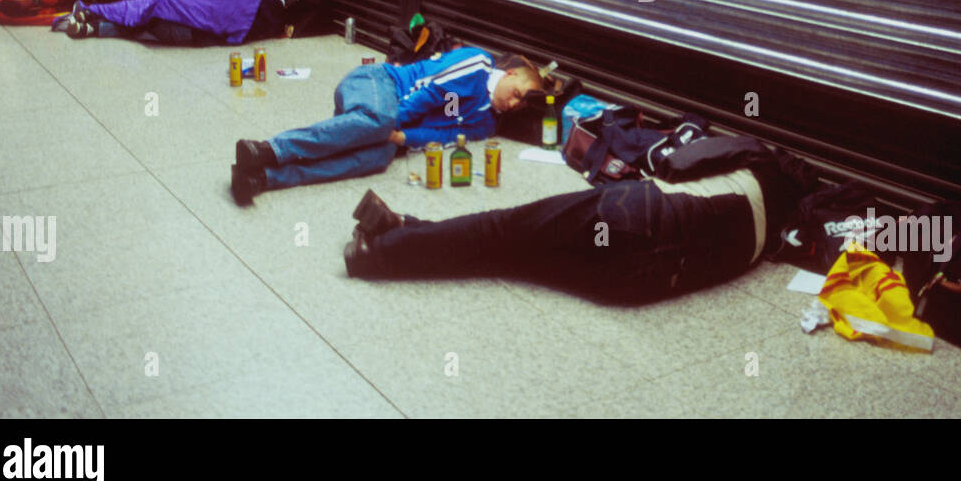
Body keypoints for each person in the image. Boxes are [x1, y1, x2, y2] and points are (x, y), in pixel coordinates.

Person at [338, 147, 820, 304]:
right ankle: (403, 228)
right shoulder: (766, 242)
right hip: (634, 285)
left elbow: (673, 161)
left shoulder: (752, 159)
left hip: (632, 216)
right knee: (506, 251)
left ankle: (375, 255)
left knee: (500, 231)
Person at [230, 48, 545, 204]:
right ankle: (270, 149)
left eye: (520, 105)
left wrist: (404, 137)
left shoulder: (487, 122)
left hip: (383, 121)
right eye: (517, 94)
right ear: (510, 75)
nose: (514, 104)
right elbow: (428, 90)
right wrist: (393, 124)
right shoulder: (478, 64)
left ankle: (263, 177)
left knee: (379, 157)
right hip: (377, 84)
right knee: (379, 122)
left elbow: (447, 134)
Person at [62, 0, 302, 46]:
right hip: (194, 37)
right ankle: (90, 28)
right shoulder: (275, 25)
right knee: (141, 27)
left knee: (142, 9)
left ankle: (91, 13)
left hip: (182, 6)